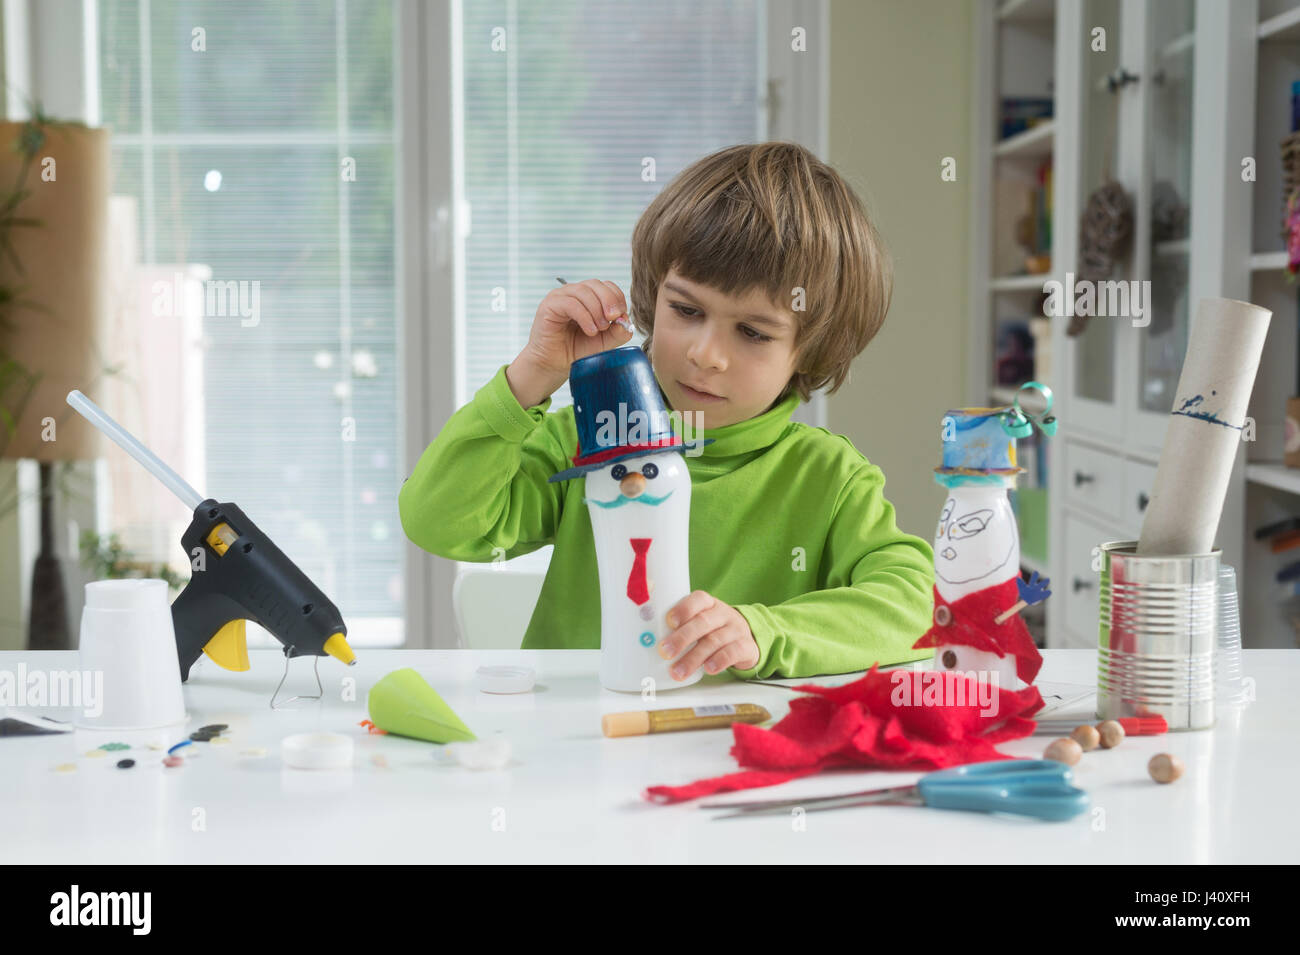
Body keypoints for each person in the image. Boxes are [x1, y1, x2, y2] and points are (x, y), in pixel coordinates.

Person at [399, 142, 934, 680]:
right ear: (653, 297)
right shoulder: (586, 440)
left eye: (752, 332)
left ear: (810, 352)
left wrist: (763, 631)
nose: (705, 354)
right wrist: (531, 377)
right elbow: (438, 523)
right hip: (574, 742)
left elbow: (917, 609)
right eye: (686, 309)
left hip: (729, 744)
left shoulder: (829, 478)